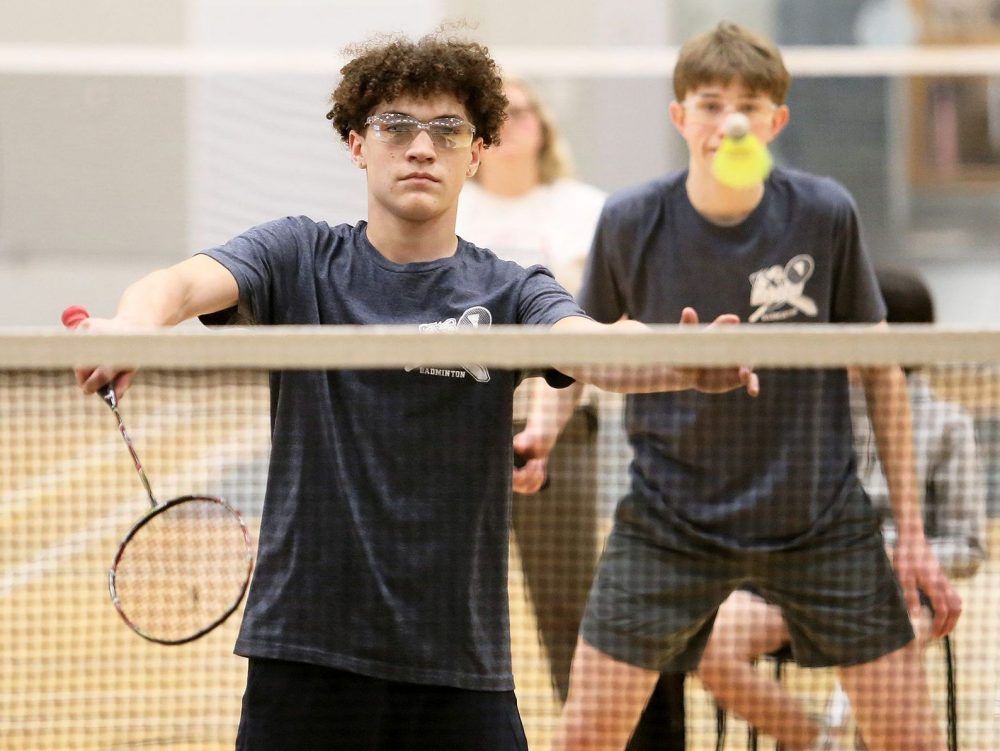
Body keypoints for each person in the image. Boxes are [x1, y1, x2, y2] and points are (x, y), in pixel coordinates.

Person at [69, 32, 757, 751]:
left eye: (448, 130)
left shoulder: (510, 290)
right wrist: (131, 326)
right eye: (396, 126)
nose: (422, 148)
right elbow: (179, 285)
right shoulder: (300, 258)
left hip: (457, 666)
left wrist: (682, 365)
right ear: (357, 145)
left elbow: (594, 347)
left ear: (476, 152)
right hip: (305, 655)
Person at [514, 21, 962, 751]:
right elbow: (580, 348)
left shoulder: (823, 213)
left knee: (912, 739)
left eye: (749, 106)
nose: (730, 122)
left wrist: (910, 533)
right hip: (669, 522)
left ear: (775, 121)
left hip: (820, 520)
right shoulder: (630, 220)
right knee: (586, 735)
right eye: (711, 104)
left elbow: (882, 371)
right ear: (680, 116)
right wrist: (542, 428)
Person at [693, 267, 988, 750]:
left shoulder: (948, 426)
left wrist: (889, 553)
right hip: (796, 585)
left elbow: (968, 547)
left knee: (891, 675)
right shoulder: (804, 412)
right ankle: (820, 741)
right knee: (711, 642)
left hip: (900, 593)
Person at [457, 76, 612, 711]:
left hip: (559, 429)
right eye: (503, 112)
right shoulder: (448, 207)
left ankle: (587, 730)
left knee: (569, 598)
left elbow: (599, 319)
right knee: (444, 595)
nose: (516, 121)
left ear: (544, 125)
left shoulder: (587, 209)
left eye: (527, 110)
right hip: (453, 419)